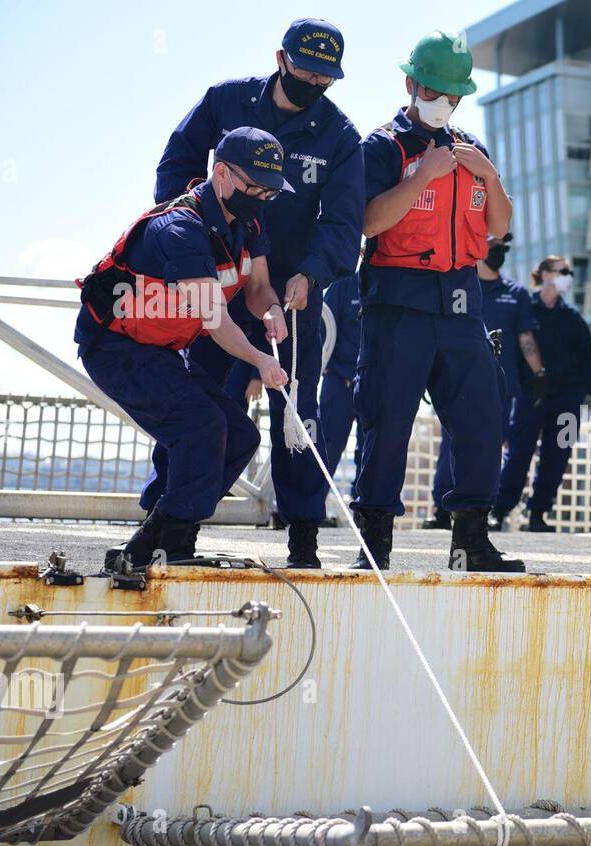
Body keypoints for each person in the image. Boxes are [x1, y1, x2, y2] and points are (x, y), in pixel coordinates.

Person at [150, 18, 363, 568]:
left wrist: (312, 274)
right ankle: (170, 527)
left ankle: (303, 539)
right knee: (198, 402)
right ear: (280, 59)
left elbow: (343, 224)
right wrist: (193, 237)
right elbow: (176, 164)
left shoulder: (341, 138)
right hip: (216, 280)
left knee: (298, 418)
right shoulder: (225, 101)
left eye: (326, 79)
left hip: (290, 292)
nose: (314, 86)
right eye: (305, 73)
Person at [76, 128, 290, 569]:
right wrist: (260, 359)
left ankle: (160, 536)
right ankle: (171, 542)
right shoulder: (180, 228)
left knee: (241, 436)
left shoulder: (247, 222)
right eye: (255, 187)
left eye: (271, 191)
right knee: (201, 425)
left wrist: (271, 310)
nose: (263, 198)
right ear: (222, 175)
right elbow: (215, 321)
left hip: (161, 349)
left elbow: (259, 288)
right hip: (116, 347)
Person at [351, 30, 524, 572]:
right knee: (387, 417)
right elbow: (368, 222)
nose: (445, 103)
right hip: (397, 299)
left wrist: (490, 176)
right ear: (411, 84)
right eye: (436, 92)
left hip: (459, 300)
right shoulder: (381, 146)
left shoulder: (474, 150)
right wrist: (422, 177)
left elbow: (498, 226)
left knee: (482, 416)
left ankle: (470, 539)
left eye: (454, 96)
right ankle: (374, 543)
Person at [425, 234, 545, 530]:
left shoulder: (516, 293)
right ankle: (441, 507)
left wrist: (540, 374)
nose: (500, 253)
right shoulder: (459, 284)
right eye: (495, 248)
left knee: (492, 446)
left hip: (500, 384)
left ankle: (482, 509)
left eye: (504, 249)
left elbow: (525, 338)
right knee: (451, 442)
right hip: (456, 379)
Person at [492, 255, 591, 531]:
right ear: (547, 274)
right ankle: (499, 510)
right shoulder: (526, 306)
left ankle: (538, 514)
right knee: (518, 454)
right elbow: (515, 349)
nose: (569, 276)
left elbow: (588, 355)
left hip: (566, 398)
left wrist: (583, 389)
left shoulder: (572, 316)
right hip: (531, 394)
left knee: (556, 457)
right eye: (564, 270)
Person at [318, 268, 363, 491]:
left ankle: (365, 510)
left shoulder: (391, 287)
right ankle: (312, 506)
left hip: (373, 384)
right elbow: (323, 327)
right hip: (339, 382)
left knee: (371, 451)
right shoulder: (342, 285)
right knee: (327, 446)